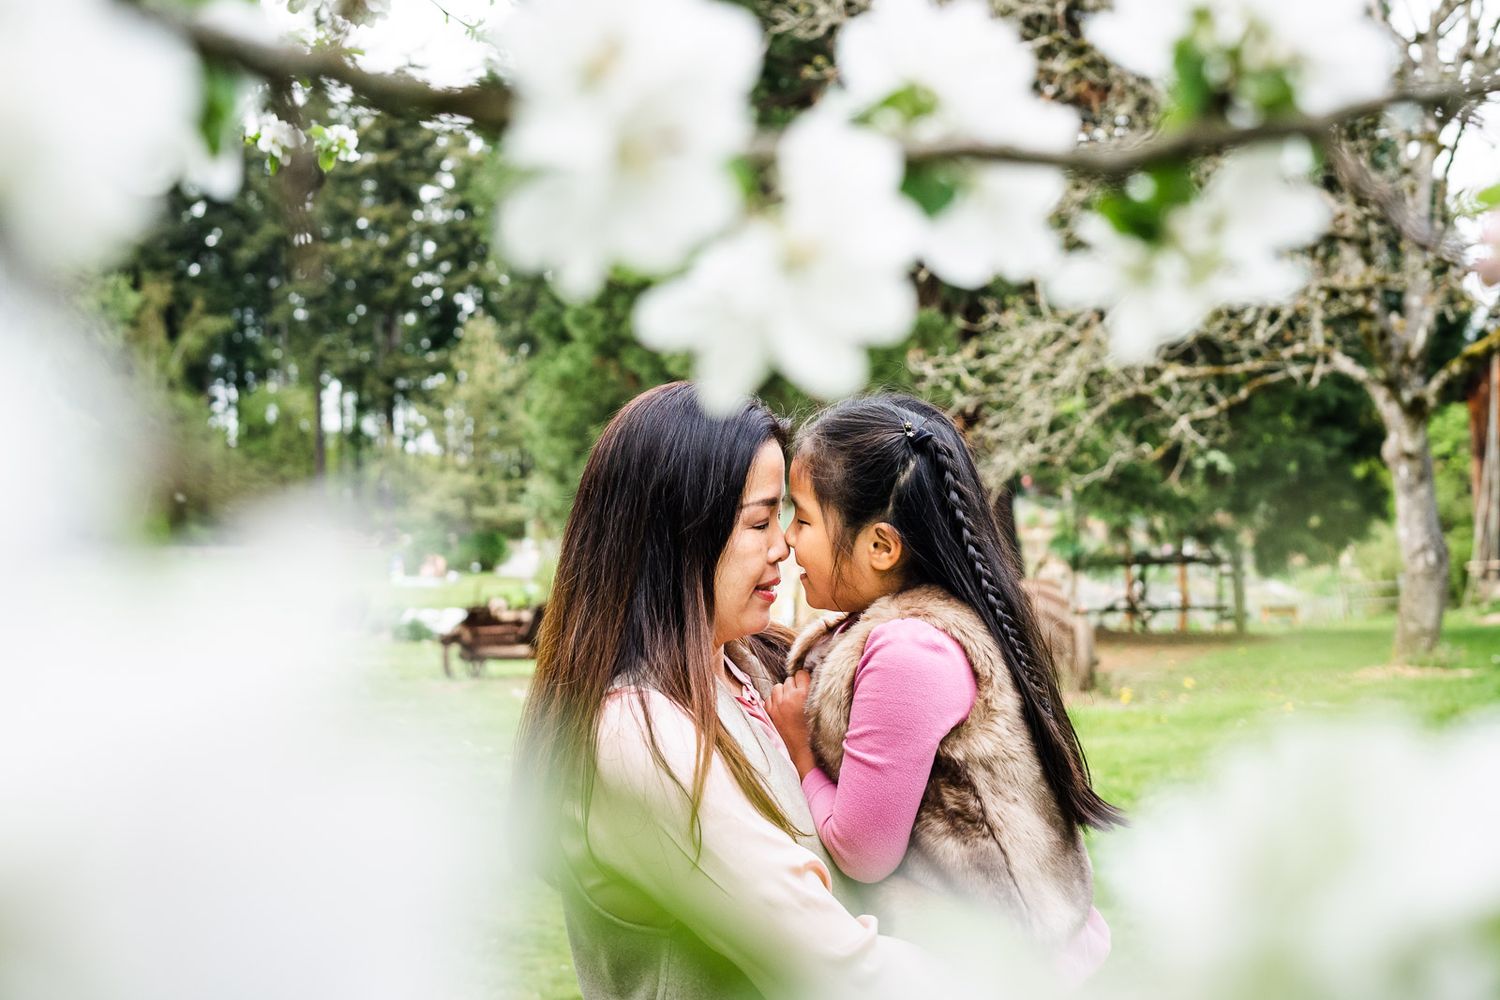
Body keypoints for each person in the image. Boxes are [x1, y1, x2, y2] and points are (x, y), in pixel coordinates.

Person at [514, 382, 930, 1000]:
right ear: (675, 535)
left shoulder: (762, 667)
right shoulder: (635, 735)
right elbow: (834, 966)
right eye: (760, 520)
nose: (785, 543)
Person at [765, 393, 1117, 981]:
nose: (786, 539)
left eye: (800, 518)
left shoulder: (909, 653)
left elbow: (863, 851)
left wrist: (800, 749)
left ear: (880, 546)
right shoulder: (898, 628)